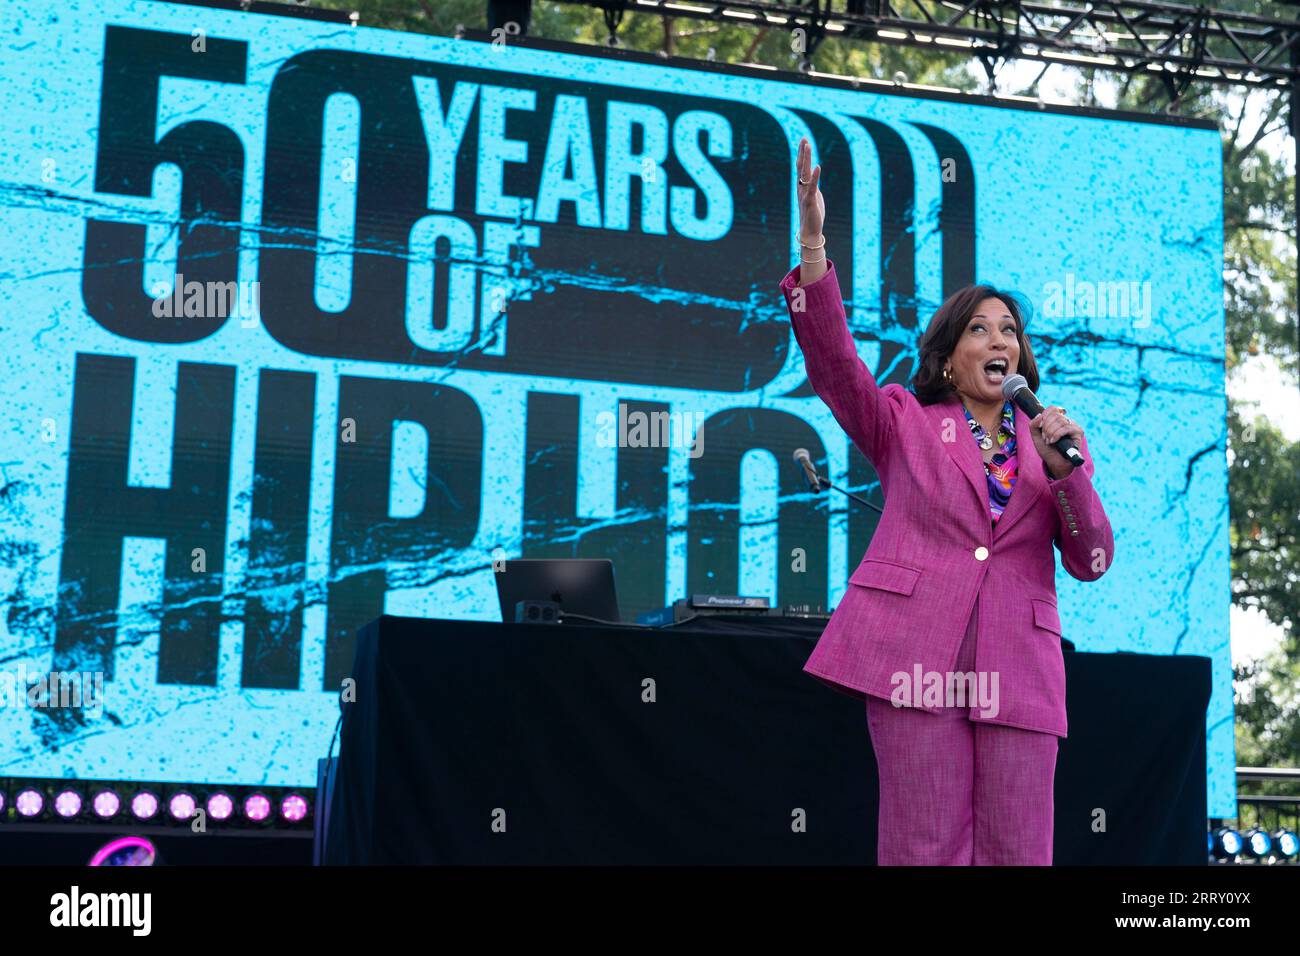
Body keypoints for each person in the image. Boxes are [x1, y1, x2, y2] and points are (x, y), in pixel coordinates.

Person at [780, 136, 1115, 865]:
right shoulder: (904, 420)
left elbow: (1091, 561)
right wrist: (812, 246)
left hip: (1019, 668)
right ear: (949, 358)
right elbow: (836, 368)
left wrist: (1067, 475)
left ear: (1020, 356)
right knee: (923, 844)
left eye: (1010, 331)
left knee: (1018, 850)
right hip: (916, 655)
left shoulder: (1051, 444)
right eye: (979, 329)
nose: (999, 340)